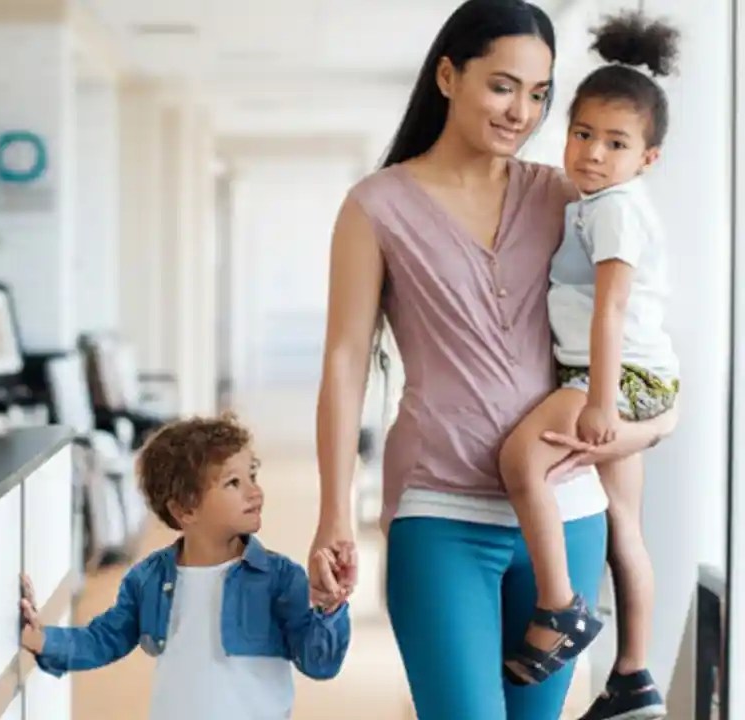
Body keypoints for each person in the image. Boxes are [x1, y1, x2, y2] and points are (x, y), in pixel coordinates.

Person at [305, 1, 677, 718]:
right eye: (503, 86)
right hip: (439, 513)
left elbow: (636, 331)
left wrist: (654, 423)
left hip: (567, 517)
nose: (522, 112)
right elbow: (347, 361)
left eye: (539, 94)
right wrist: (333, 515)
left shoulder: (570, 199)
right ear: (449, 75)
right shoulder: (375, 206)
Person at [497, 12, 680, 718]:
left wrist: (600, 401)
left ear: (647, 157)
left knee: (521, 463)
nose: (594, 154)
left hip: (617, 377)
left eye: (616, 143)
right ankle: (634, 677)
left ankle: (560, 605)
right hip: (635, 374)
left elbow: (608, 310)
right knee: (624, 529)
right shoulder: (601, 203)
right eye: (582, 134)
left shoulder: (612, 212)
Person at [19, 414, 351, 719]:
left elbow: (320, 663)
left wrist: (329, 609)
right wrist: (45, 640)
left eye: (252, 475)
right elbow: (103, 639)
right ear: (185, 511)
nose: (255, 492)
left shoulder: (280, 578)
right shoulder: (148, 579)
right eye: (233, 483)